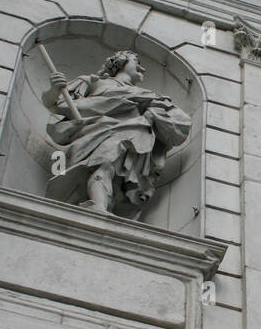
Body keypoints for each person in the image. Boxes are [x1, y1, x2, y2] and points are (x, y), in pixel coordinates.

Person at [42, 50, 191, 215]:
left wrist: (151, 114)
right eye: (136, 61)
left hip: (132, 138)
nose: (143, 69)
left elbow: (179, 122)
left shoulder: (149, 96)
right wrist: (53, 90)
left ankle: (101, 206)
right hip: (94, 133)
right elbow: (56, 105)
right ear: (121, 61)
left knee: (109, 166)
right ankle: (98, 206)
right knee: (104, 162)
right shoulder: (92, 82)